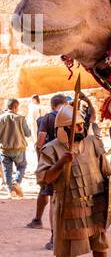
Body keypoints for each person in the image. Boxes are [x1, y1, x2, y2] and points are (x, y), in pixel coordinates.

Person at [36, 103, 111, 257]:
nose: (80, 128)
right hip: (68, 203)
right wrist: (61, 163)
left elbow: (105, 172)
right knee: (66, 245)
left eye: (81, 125)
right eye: (76, 126)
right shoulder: (52, 149)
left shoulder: (93, 142)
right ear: (63, 129)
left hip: (95, 201)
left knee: (99, 240)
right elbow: (45, 178)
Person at [28, 93, 71, 240]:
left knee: (53, 198)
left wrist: (41, 159)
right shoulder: (74, 116)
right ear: (65, 104)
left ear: (52, 105)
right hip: (72, 160)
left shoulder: (48, 117)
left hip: (53, 162)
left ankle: (54, 237)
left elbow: (40, 140)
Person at [0, 99, 31, 198]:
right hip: (19, 149)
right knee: (21, 166)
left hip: (5, 150)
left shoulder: (1, 118)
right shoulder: (21, 118)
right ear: (15, 107)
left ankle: (11, 190)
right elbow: (28, 133)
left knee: (7, 170)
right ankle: (17, 182)